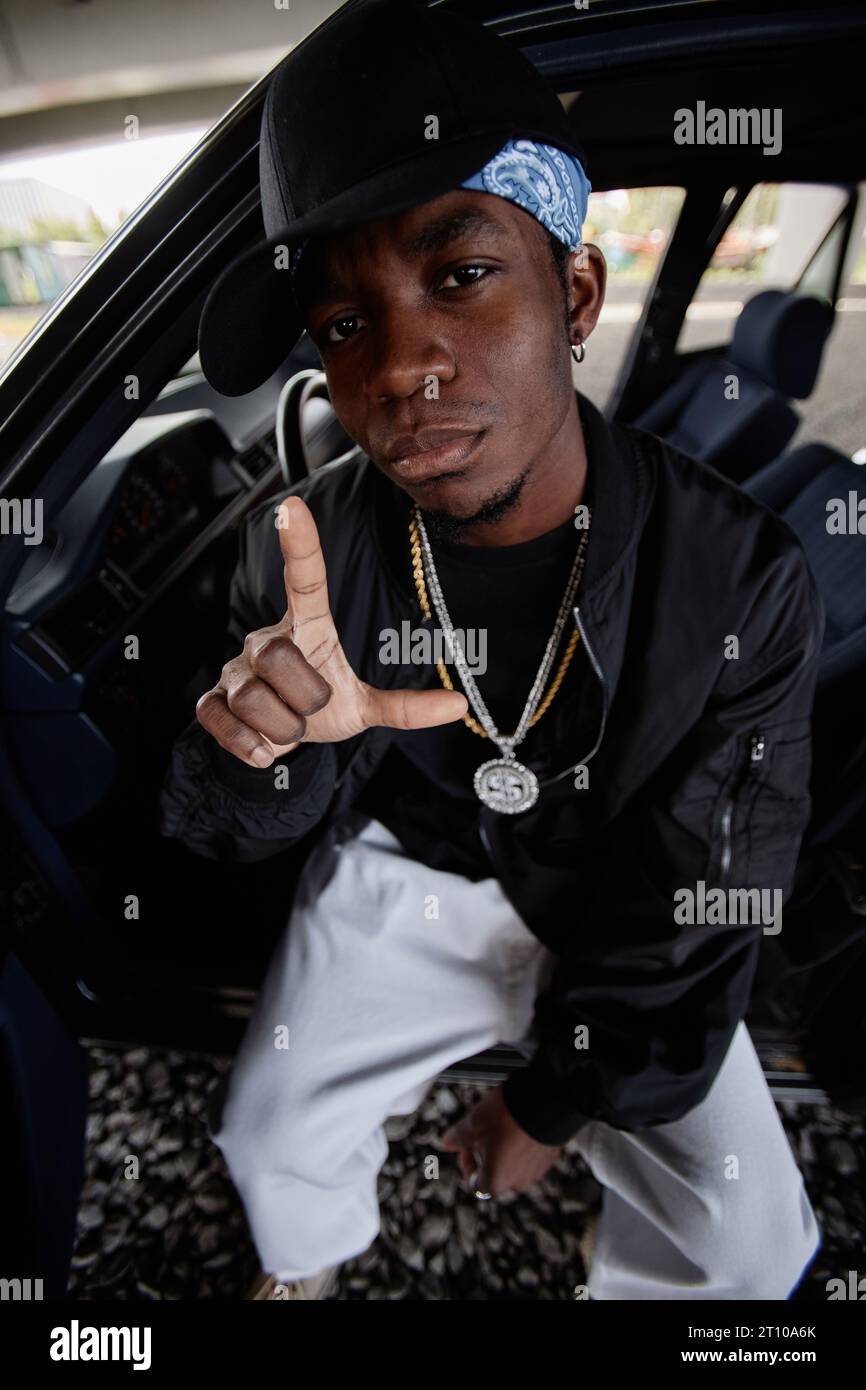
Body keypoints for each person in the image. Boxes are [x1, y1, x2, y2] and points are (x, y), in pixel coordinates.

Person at [161, 0, 823, 1299]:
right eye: (345, 323)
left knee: (752, 1244)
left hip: (630, 900)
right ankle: (303, 1267)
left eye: (458, 274)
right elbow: (232, 824)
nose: (404, 366)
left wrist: (549, 1100)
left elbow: (703, 895)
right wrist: (260, 750)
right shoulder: (325, 538)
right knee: (268, 1136)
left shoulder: (737, 572)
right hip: (418, 874)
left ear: (573, 290)